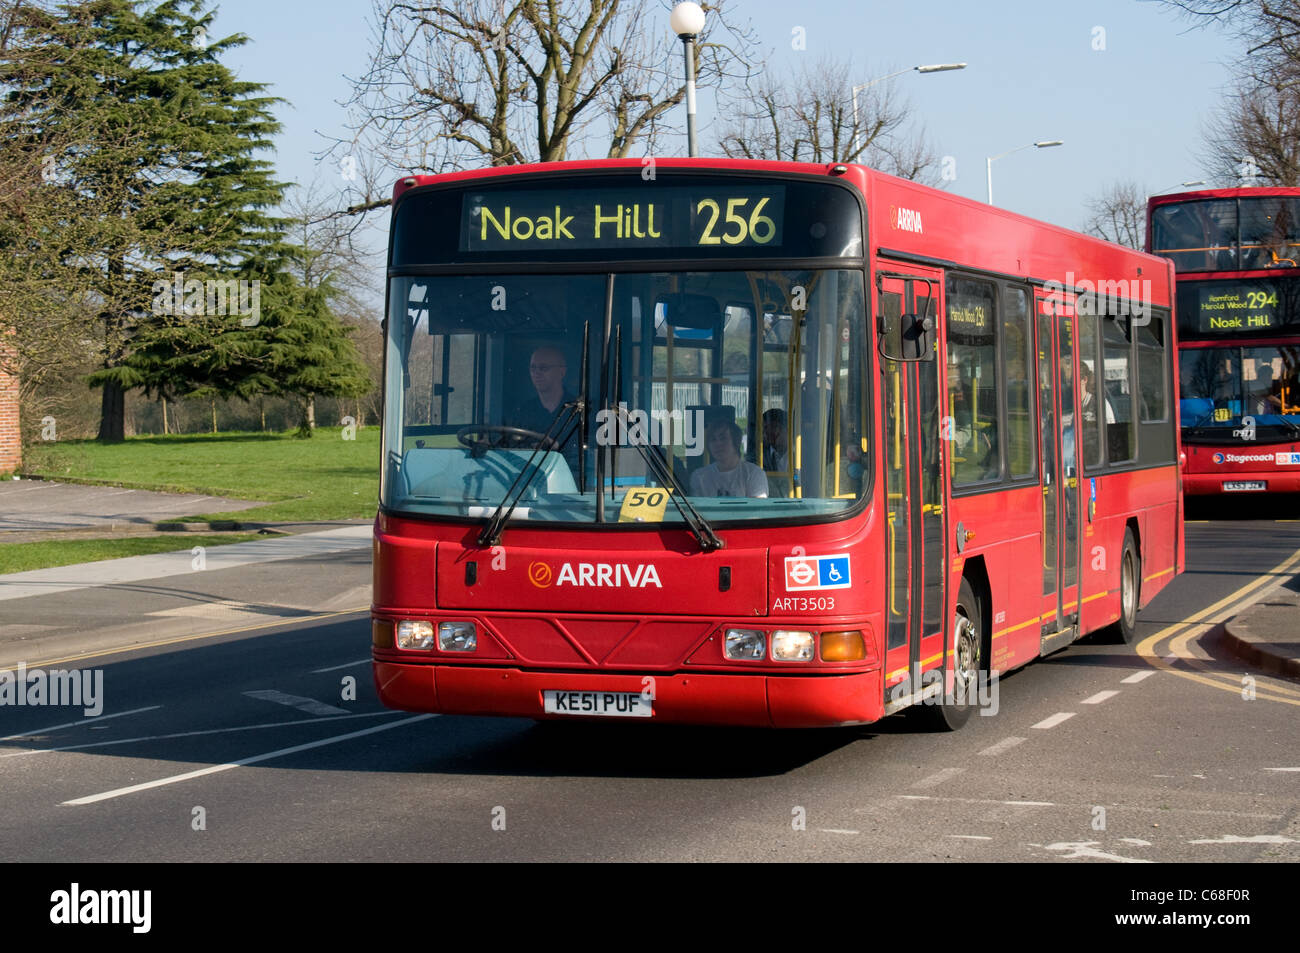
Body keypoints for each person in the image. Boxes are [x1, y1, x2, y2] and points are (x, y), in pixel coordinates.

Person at [690, 419, 768, 498]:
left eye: (723, 438)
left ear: (736, 441)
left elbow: (757, 505)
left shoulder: (754, 473)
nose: (718, 444)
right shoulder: (699, 476)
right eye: (713, 439)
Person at [761, 408, 789, 472]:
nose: (765, 433)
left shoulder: (800, 453)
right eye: (764, 428)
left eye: (773, 427)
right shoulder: (760, 455)